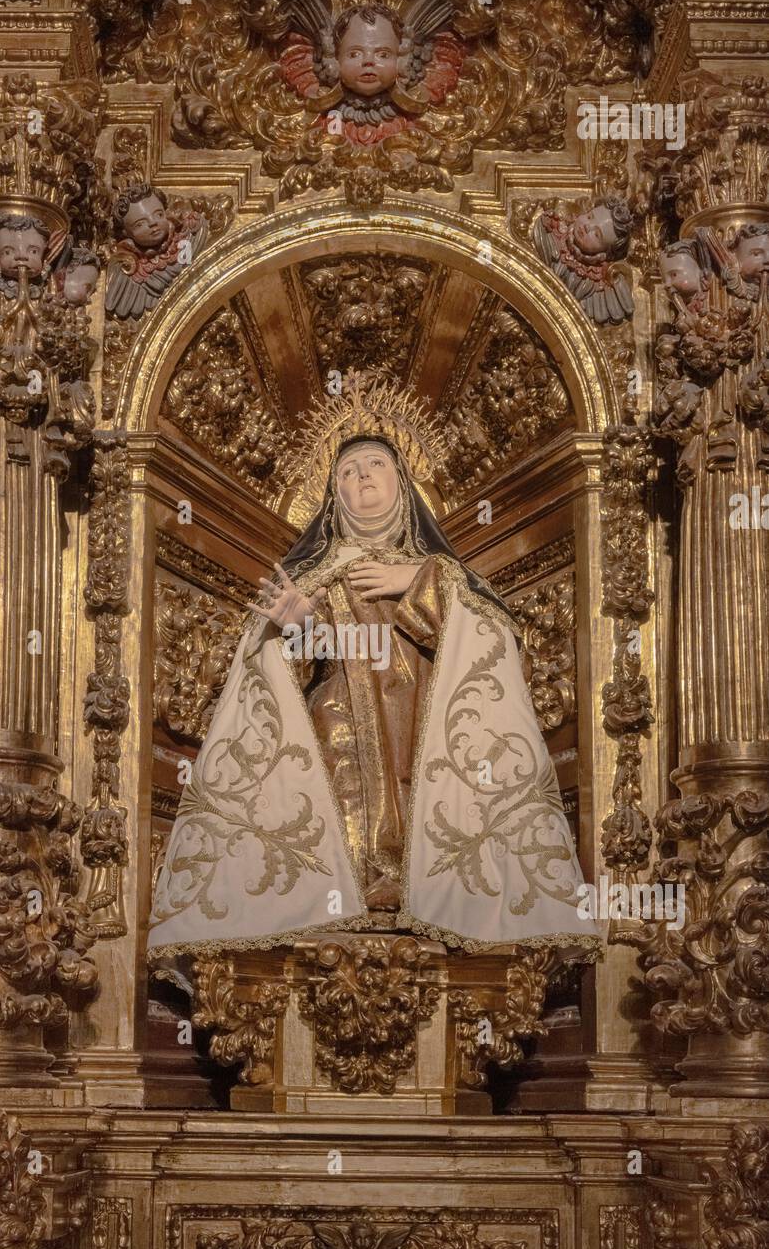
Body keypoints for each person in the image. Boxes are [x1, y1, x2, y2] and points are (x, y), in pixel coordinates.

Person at [149, 383, 598, 962]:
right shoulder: (313, 574)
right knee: (348, 813)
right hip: (338, 731)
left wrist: (421, 585)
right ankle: (343, 903)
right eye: (347, 472)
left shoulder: (444, 573)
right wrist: (294, 627)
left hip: (423, 727)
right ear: (332, 495)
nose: (360, 479)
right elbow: (276, 682)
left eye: (375, 466)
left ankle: (432, 907)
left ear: (401, 484)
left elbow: (495, 646)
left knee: (416, 805)